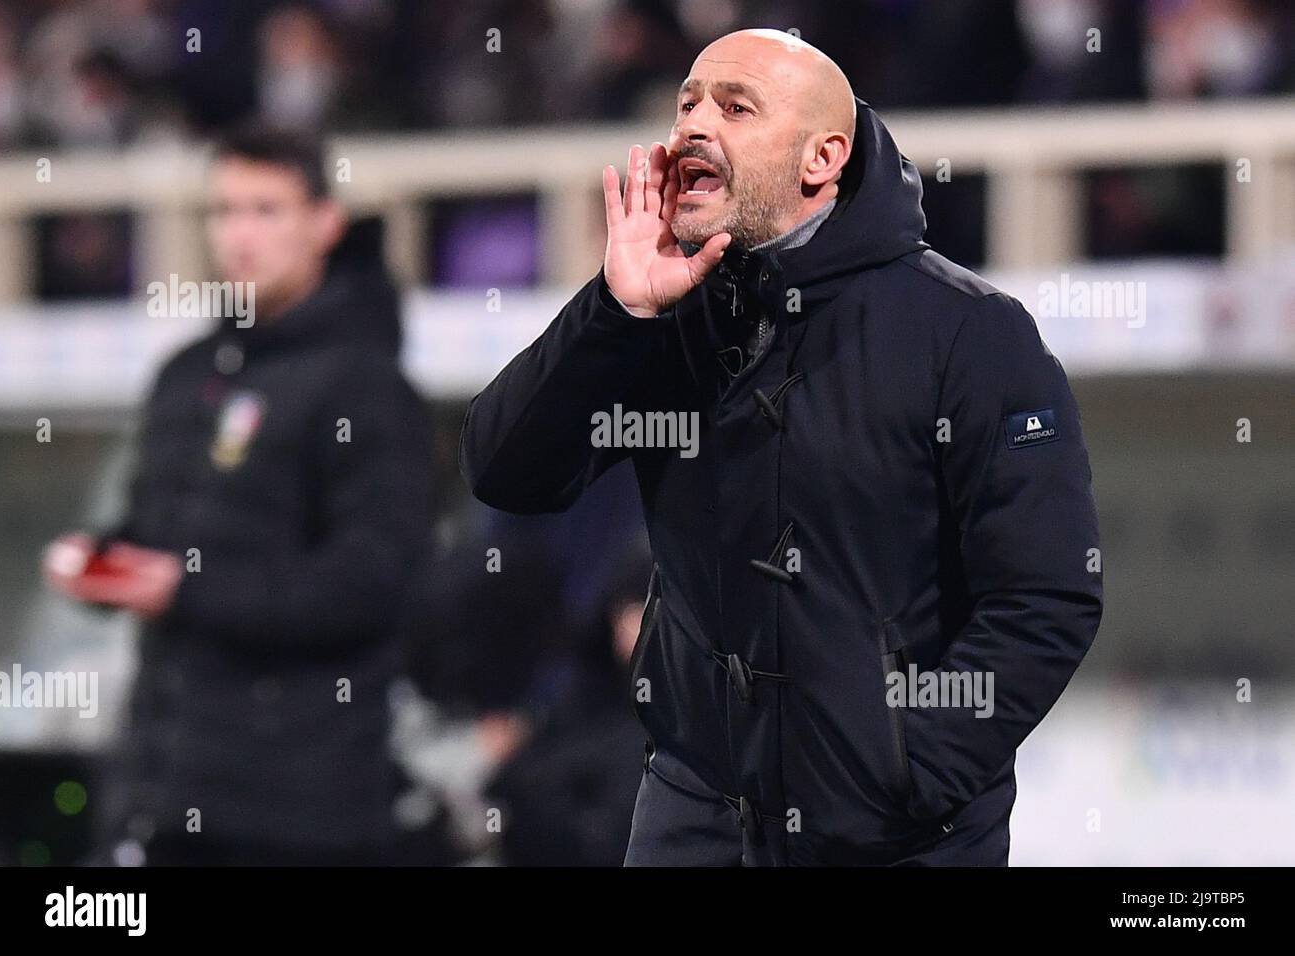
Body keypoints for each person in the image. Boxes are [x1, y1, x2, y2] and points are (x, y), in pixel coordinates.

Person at [460, 29, 1103, 866]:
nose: (695, 125)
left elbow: (1046, 595)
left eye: (736, 108)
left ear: (821, 159)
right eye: (688, 103)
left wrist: (908, 768)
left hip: (894, 838)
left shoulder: (969, 331)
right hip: (694, 827)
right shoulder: (667, 316)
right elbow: (507, 471)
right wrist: (613, 313)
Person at [43, 126, 433, 866]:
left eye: (265, 209)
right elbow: (154, 530)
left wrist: (183, 589)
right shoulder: (185, 374)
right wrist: (105, 562)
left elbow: (373, 584)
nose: (239, 234)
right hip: (159, 787)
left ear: (324, 222)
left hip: (298, 811)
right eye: (223, 211)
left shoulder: (367, 387)